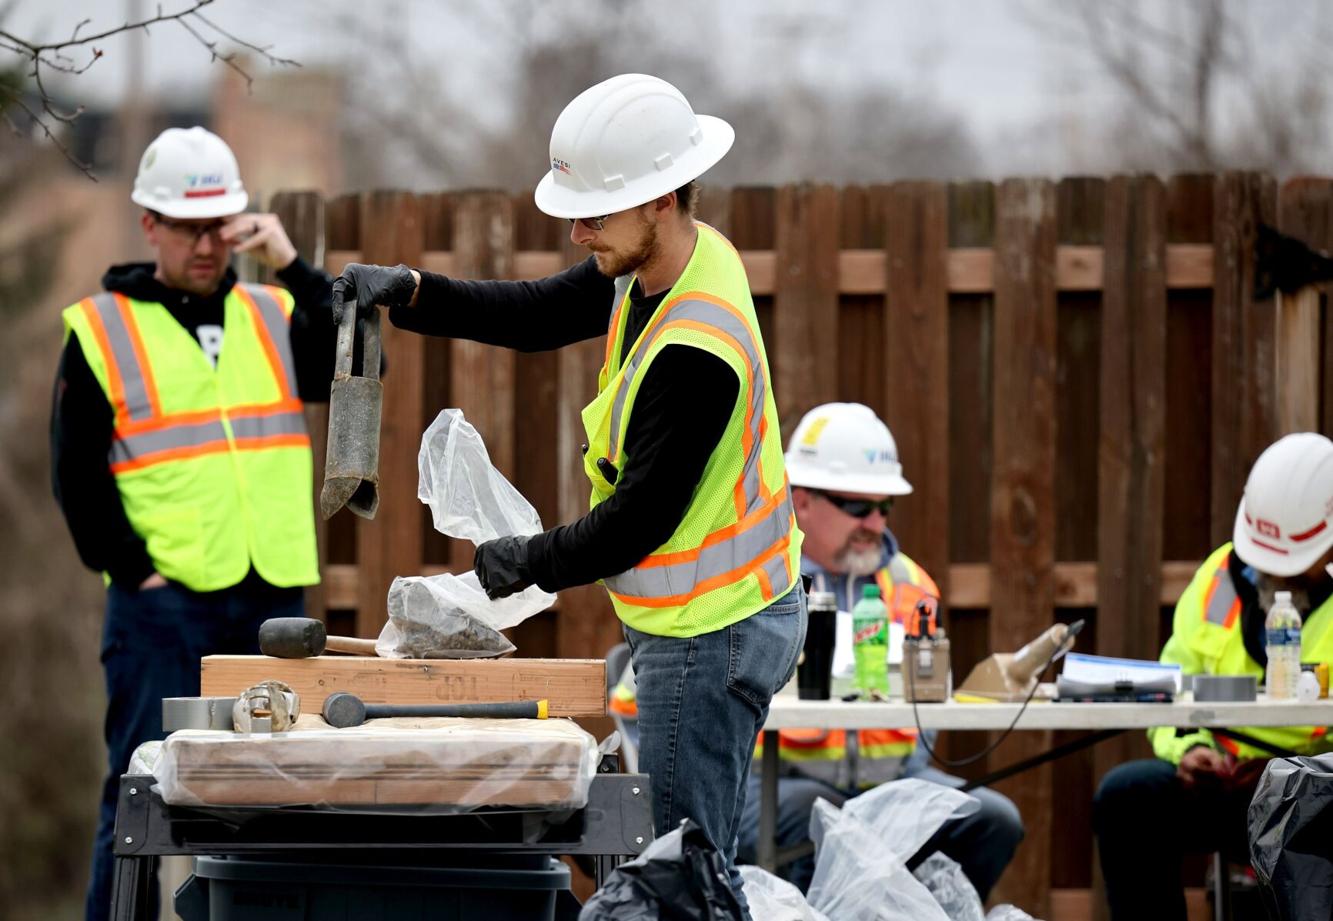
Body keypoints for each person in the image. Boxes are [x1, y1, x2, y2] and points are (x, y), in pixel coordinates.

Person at [331, 74, 806, 914]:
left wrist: (525, 562)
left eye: (595, 213)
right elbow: (542, 310)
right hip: (714, 615)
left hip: (710, 632)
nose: (578, 231)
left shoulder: (697, 345)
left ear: (659, 197)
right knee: (682, 867)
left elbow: (637, 521)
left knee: (679, 883)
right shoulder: (670, 256)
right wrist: (413, 291)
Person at [51, 126, 337, 921]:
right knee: (141, 794)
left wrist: (291, 261)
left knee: (278, 794)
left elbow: (361, 365)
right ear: (151, 224)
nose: (208, 243)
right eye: (189, 226)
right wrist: (137, 570)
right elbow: (75, 476)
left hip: (272, 599)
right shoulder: (100, 329)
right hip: (162, 605)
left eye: (220, 224)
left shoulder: (275, 307)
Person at [725, 402, 1021, 895]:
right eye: (859, 507)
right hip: (767, 780)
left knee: (991, 819)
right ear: (801, 501)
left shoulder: (912, 584)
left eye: (885, 507)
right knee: (818, 820)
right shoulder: (752, 577)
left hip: (892, 781)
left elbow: (930, 705)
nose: (876, 522)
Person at [1094, 432, 1333, 920]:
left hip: (1311, 790)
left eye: (1294, 567)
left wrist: (1294, 767)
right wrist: (1191, 750)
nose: (1277, 578)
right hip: (1221, 783)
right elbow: (1172, 686)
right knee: (1127, 797)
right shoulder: (1216, 579)